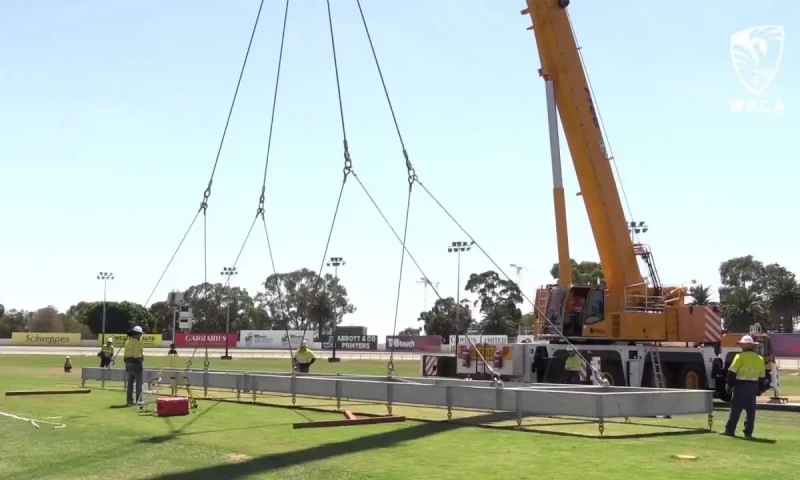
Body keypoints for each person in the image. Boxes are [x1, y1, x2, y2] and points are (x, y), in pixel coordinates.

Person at [722, 335, 767, 438]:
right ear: (752, 346)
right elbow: (762, 377)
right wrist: (761, 389)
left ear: (743, 346)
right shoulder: (760, 359)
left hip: (740, 386)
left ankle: (730, 430)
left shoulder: (739, 357)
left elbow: (732, 372)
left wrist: (729, 384)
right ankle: (748, 432)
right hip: (753, 387)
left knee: (735, 410)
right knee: (751, 412)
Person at [123, 326, 145, 406]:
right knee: (139, 383)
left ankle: (129, 401)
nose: (141, 336)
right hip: (136, 364)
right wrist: (141, 358)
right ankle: (139, 400)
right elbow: (136, 355)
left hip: (128, 364)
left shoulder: (128, 341)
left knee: (130, 383)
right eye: (140, 334)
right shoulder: (137, 342)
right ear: (137, 334)